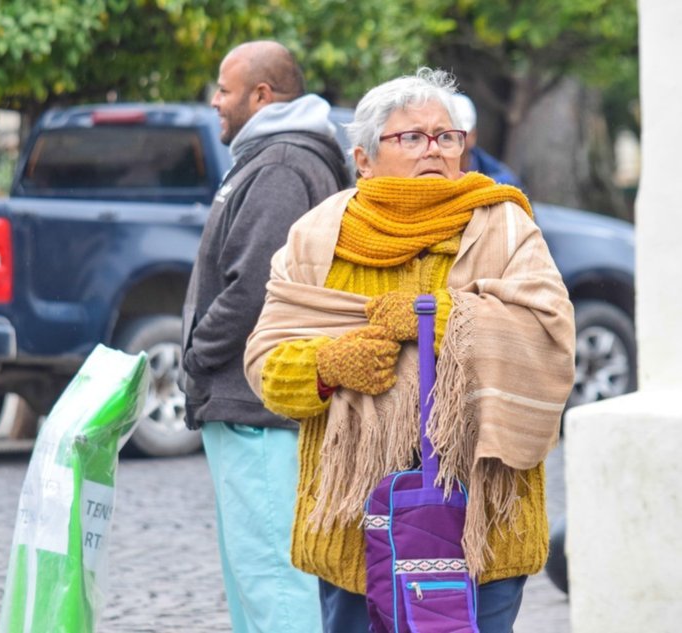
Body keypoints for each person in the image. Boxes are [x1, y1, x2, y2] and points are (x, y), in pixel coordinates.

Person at [243, 69, 575, 632]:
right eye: (413, 137)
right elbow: (267, 364)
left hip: (483, 522)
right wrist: (327, 365)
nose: (435, 150)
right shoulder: (318, 236)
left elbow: (547, 340)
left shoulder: (505, 226)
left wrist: (441, 321)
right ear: (364, 158)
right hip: (355, 527)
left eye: (446, 137)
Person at [181, 40, 349, 633]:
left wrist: (196, 356)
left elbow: (253, 286)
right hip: (255, 405)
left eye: (224, 90)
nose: (215, 101)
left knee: (275, 578)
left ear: (261, 94)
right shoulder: (275, 156)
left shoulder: (280, 164)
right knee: (258, 578)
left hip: (258, 409)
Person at [452, 92, 524, 188]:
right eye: (445, 136)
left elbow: (513, 184)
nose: (454, 142)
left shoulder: (498, 177)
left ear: (473, 136)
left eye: (461, 136)